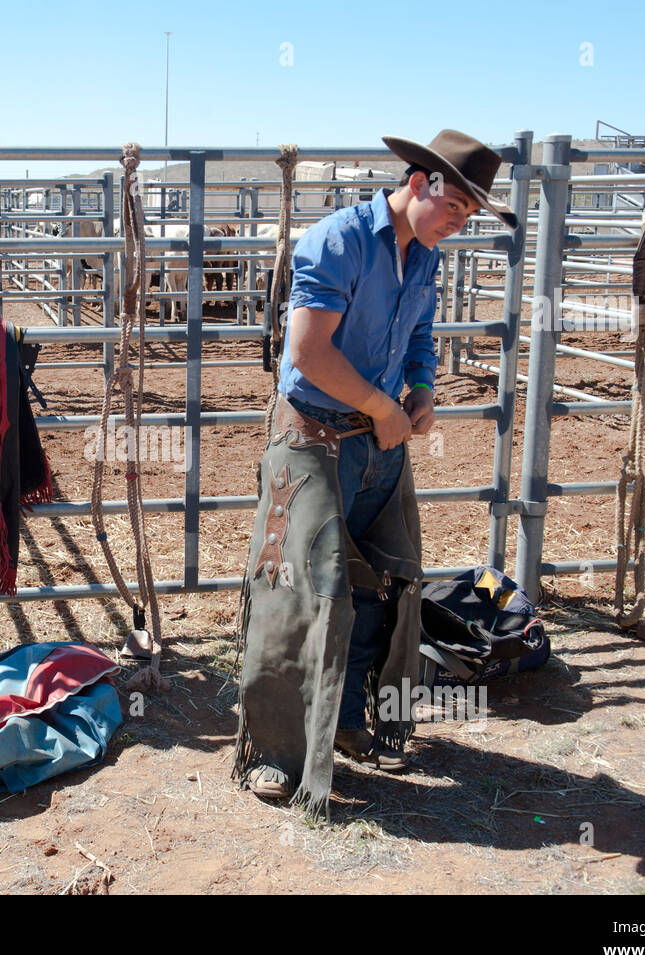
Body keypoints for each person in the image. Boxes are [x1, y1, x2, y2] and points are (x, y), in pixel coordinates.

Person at [233, 130, 518, 813]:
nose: (459, 223)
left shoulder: (423, 256)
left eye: (471, 216)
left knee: (380, 582)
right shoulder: (338, 240)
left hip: (377, 439)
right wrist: (382, 406)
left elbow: (419, 332)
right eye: (456, 207)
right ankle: (276, 751)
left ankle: (352, 721)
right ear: (420, 183)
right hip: (314, 438)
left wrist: (419, 387)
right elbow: (307, 351)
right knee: (295, 589)